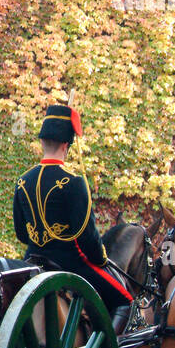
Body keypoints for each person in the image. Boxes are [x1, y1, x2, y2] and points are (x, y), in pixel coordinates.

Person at [12, 103, 132, 335]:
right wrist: (100, 259)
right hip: (70, 263)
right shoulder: (74, 181)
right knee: (125, 300)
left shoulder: (22, 181)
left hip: (31, 262)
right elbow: (87, 236)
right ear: (66, 146)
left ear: (42, 142)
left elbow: (20, 233)